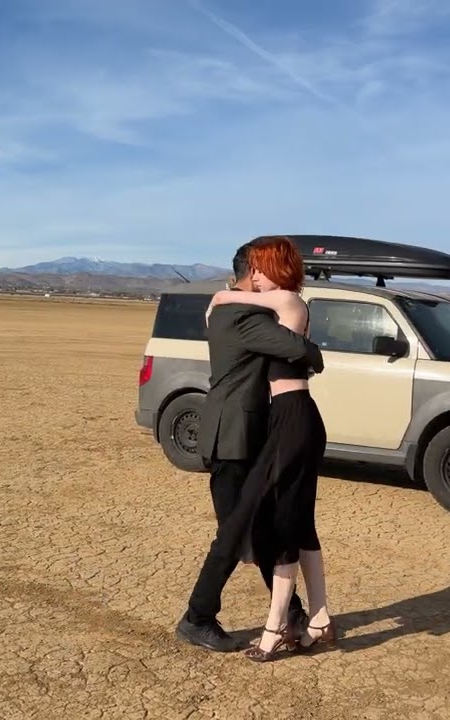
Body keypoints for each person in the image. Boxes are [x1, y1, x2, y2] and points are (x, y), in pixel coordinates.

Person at [175, 240, 325, 653]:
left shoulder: (232, 306)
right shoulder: (241, 314)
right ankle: (198, 617)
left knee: (258, 528)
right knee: (235, 531)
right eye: (257, 273)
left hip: (246, 434)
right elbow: (300, 351)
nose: (262, 281)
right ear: (250, 273)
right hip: (232, 437)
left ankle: (290, 613)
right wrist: (314, 351)